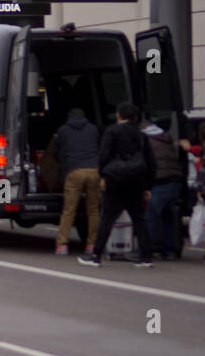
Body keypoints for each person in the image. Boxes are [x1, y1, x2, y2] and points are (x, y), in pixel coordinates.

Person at [79, 102, 156, 269]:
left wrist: (103, 175)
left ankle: (95, 255)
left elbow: (104, 155)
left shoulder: (112, 131)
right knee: (139, 220)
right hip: (136, 182)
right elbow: (151, 162)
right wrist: (148, 186)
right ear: (135, 117)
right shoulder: (141, 135)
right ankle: (146, 257)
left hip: (116, 181)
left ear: (118, 115)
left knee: (107, 219)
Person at [53, 107, 101, 256]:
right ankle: (92, 244)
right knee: (93, 210)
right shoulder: (93, 129)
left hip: (74, 171)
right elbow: (99, 148)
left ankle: (62, 245)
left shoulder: (63, 130)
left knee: (69, 210)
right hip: (94, 170)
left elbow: (56, 153)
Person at [142, 117, 186, 259]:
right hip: (175, 181)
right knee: (169, 217)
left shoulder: (146, 140)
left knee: (150, 216)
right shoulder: (167, 139)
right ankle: (170, 250)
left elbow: (146, 163)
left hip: (160, 182)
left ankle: (146, 249)